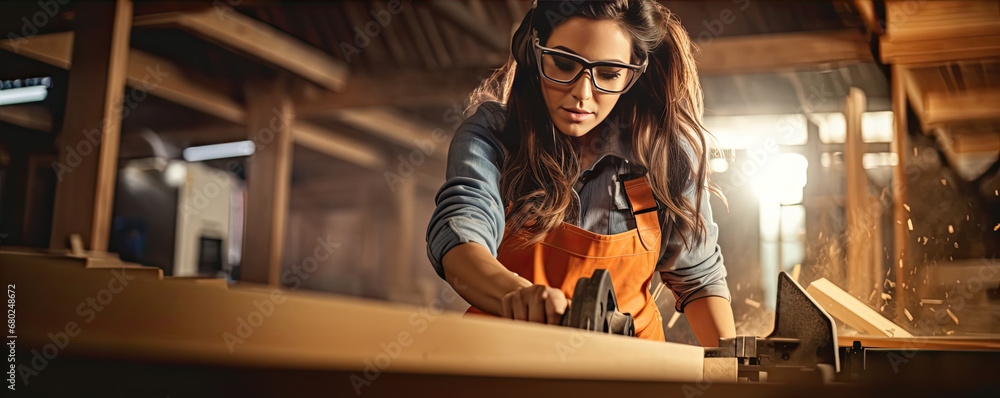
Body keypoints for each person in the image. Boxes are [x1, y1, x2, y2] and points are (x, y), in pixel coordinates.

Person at [425, 0, 735, 346]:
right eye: (563, 63)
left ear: (633, 73)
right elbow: (461, 235)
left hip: (633, 371)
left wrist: (736, 370)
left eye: (609, 74)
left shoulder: (665, 151)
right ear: (534, 53)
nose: (582, 94)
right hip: (503, 359)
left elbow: (698, 278)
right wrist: (516, 296)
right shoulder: (494, 137)